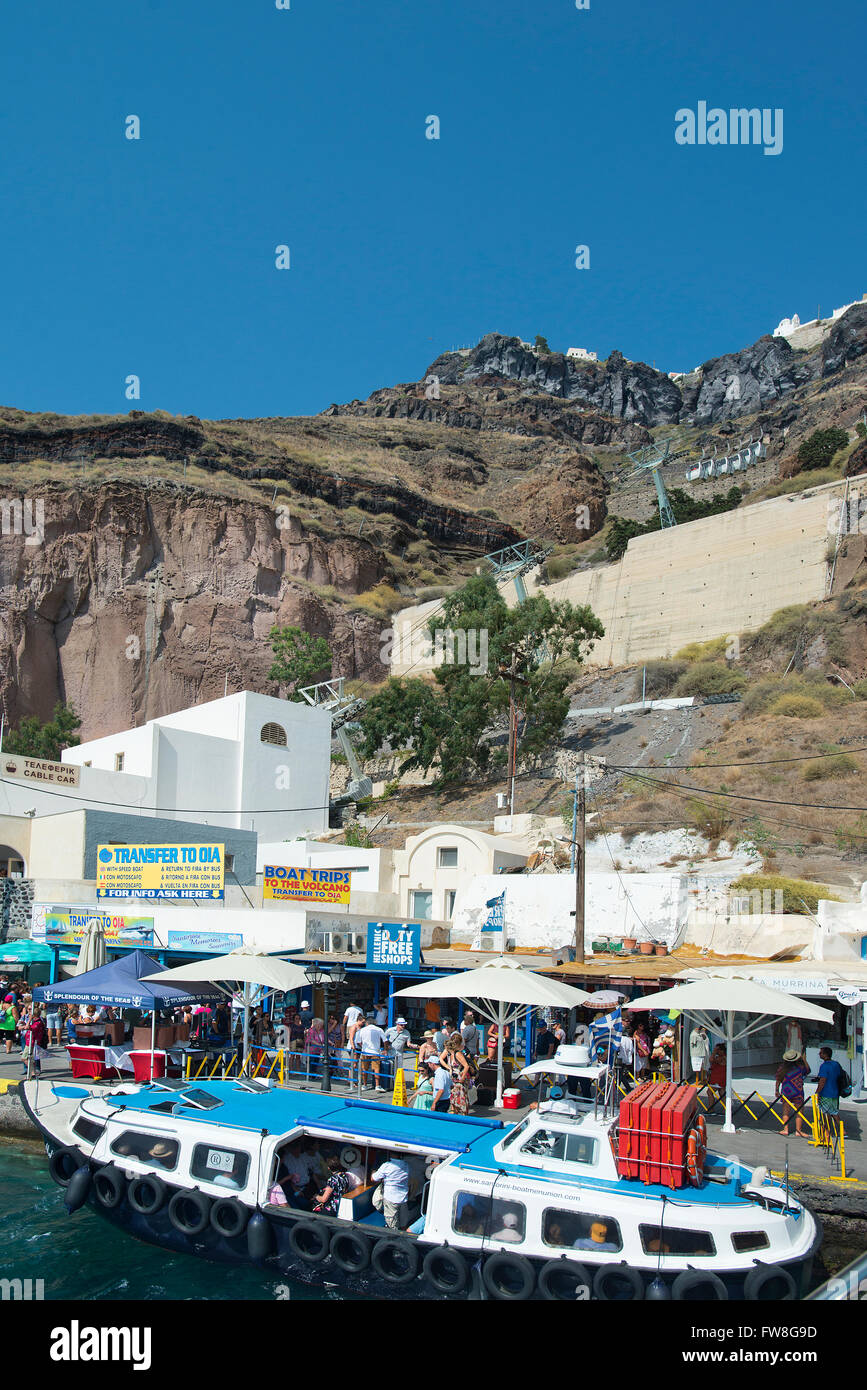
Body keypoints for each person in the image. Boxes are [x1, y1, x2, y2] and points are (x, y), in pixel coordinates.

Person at [371, 1153, 411, 1230]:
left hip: (391, 1199)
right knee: (403, 1225)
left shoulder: (386, 1166)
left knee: (392, 1227)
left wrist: (373, 1170)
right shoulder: (406, 1165)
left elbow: (373, 1179)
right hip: (403, 1199)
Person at [775, 1048, 810, 1137]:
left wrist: (776, 1090)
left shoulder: (782, 1068)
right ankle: (798, 1131)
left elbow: (778, 1080)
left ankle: (785, 1129)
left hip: (786, 1091)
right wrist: (804, 1060)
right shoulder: (800, 1068)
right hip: (798, 1091)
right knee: (799, 1111)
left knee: (786, 1111)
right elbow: (808, 1070)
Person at [441, 1031, 472, 1114]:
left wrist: (462, 1078)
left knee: (461, 1098)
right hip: (454, 1079)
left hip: (460, 1079)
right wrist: (449, 1068)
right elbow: (441, 1059)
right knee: (454, 1097)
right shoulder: (450, 1055)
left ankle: (464, 1115)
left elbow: (466, 1066)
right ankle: (456, 1113)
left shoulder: (457, 1054)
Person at [815, 1047, 847, 1124]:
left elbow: (822, 1080)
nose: (819, 1054)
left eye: (821, 1053)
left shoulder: (824, 1066)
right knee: (834, 1112)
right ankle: (842, 1131)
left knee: (825, 1112)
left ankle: (826, 1131)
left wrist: (817, 1092)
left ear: (825, 1055)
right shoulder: (836, 1064)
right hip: (835, 1092)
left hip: (826, 1093)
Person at [356, 1014, 386, 1092]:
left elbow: (358, 1042)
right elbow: (385, 1040)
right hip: (375, 1051)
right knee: (376, 1069)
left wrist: (363, 1046)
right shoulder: (379, 1029)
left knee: (364, 1069)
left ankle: (364, 1085)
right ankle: (377, 1085)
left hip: (365, 1052)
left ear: (367, 1023)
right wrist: (385, 1049)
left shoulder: (362, 1030)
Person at [22, 1005, 49, 1076]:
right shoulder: (35, 1021)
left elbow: (28, 1027)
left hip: (32, 1042)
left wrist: (29, 1020)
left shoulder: (38, 1023)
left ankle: (33, 1072)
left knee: (24, 1058)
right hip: (29, 1041)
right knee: (31, 1058)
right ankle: (32, 1072)